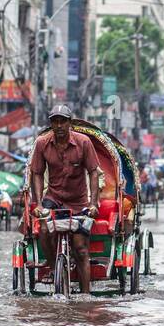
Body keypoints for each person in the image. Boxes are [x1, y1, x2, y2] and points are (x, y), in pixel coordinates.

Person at [29, 104, 101, 294]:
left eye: (63, 121)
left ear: (70, 123)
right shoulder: (42, 143)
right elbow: (37, 173)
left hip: (78, 201)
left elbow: (94, 172)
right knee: (44, 229)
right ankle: (53, 267)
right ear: (51, 124)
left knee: (81, 249)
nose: (59, 125)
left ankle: (86, 296)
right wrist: (37, 204)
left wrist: (93, 203)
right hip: (53, 197)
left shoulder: (84, 142)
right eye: (55, 121)